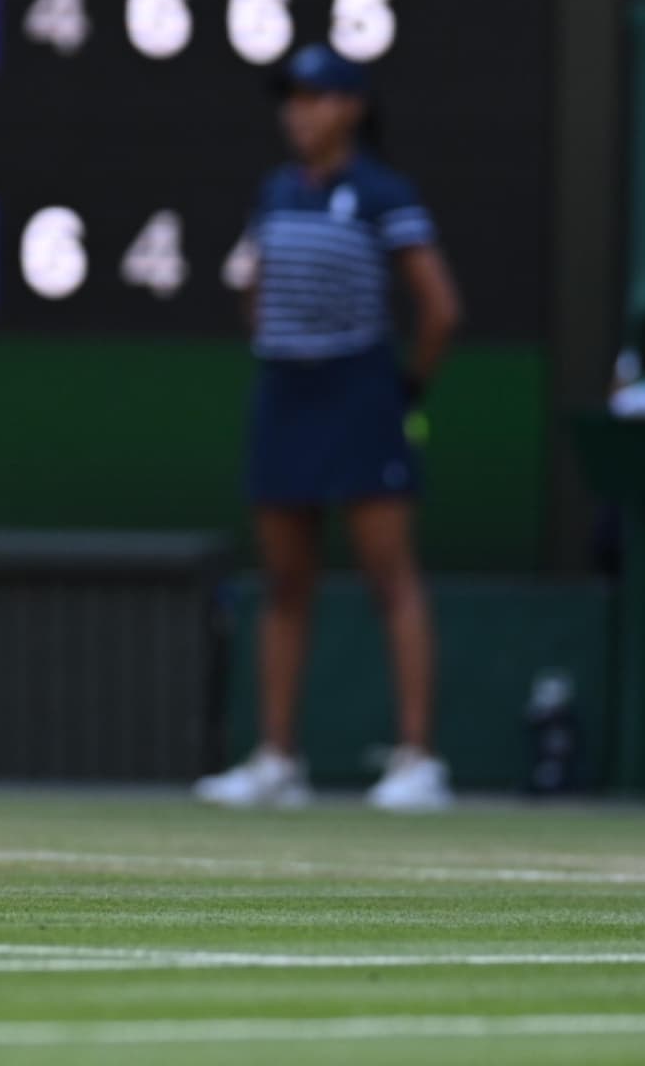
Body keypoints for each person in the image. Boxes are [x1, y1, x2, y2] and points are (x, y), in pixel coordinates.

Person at [196, 45, 460, 814]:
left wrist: (400, 391)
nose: (298, 113)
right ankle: (277, 757)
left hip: (360, 392)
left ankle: (418, 760)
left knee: (391, 579)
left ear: (352, 108)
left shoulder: (384, 194)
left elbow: (441, 310)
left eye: (315, 98)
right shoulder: (275, 193)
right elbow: (257, 288)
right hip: (285, 390)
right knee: (284, 582)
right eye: (292, 99)